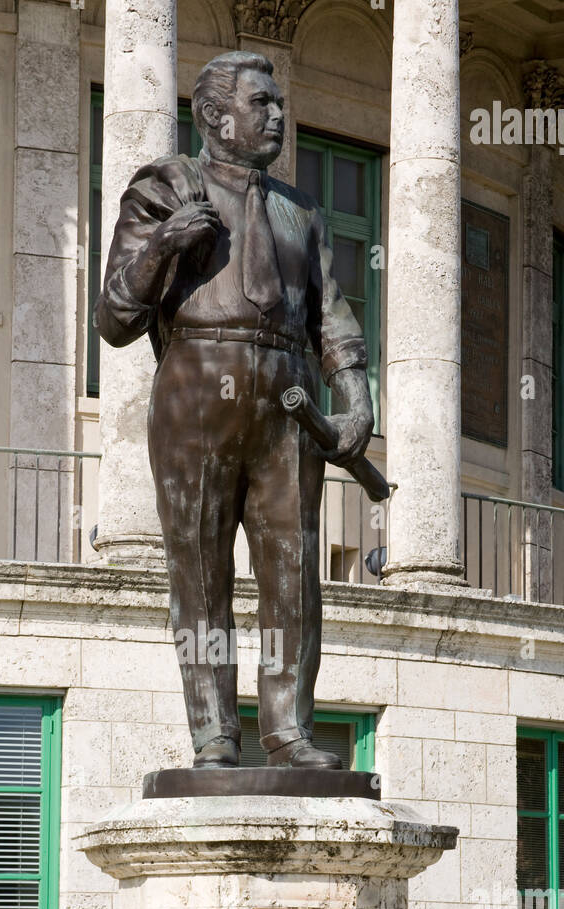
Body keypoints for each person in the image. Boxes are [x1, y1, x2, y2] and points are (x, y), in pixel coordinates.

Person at [96, 51, 374, 769]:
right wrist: (162, 247)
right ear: (216, 116)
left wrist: (357, 405)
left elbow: (334, 322)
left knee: (294, 568)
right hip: (196, 386)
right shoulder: (166, 188)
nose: (278, 114)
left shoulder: (299, 214)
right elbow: (115, 316)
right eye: (262, 103)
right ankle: (214, 731)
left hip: (287, 397)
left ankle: (287, 727)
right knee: (201, 570)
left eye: (278, 102)